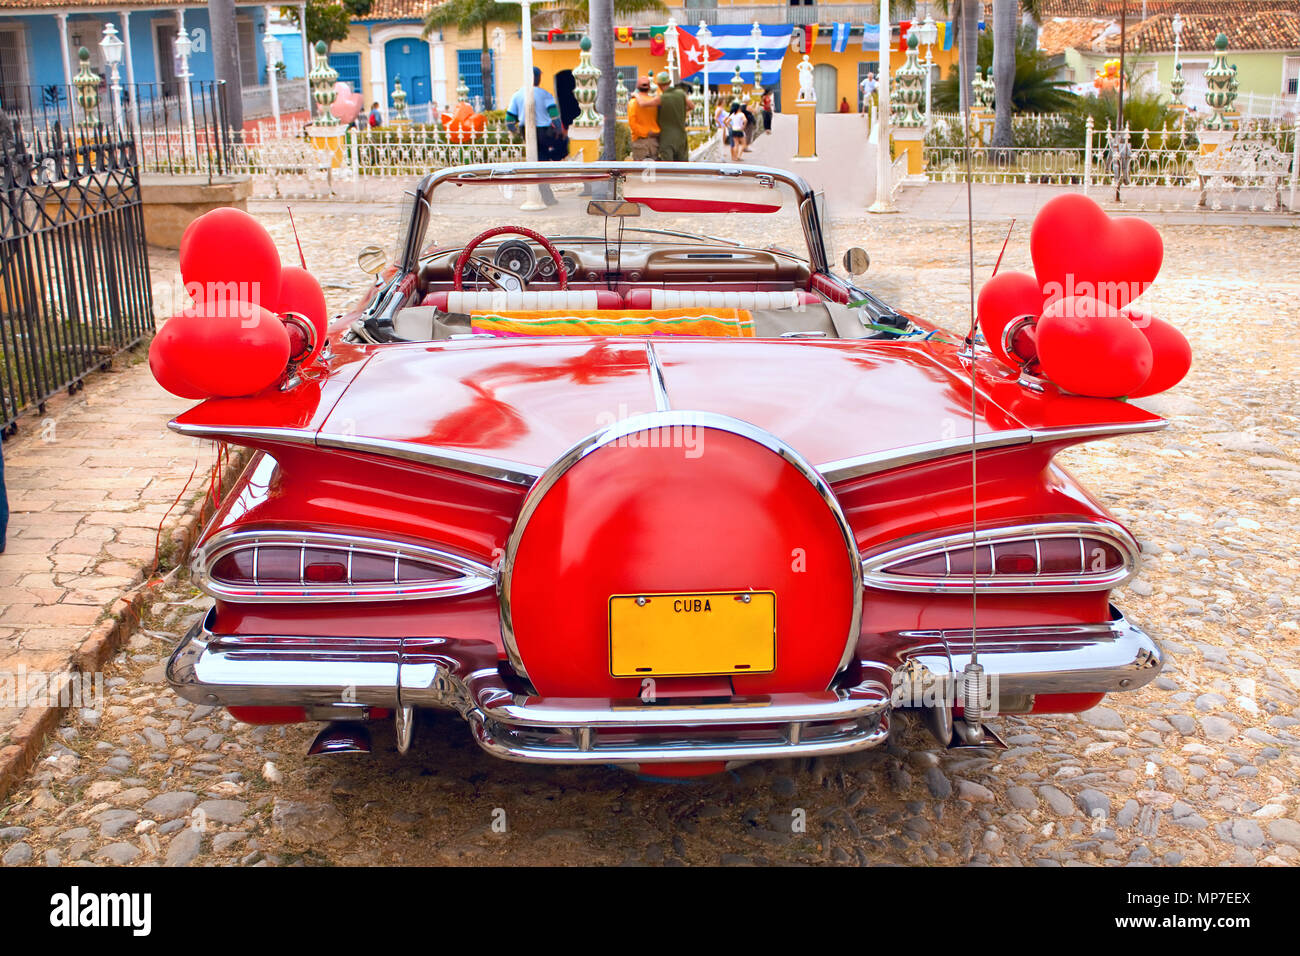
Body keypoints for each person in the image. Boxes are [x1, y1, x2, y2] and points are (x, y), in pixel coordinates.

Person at [507, 66, 568, 162]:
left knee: (539, 152)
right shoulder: (545, 95)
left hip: (525, 130)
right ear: (538, 78)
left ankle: (545, 160)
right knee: (565, 142)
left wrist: (515, 131)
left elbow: (509, 120)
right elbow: (554, 116)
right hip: (544, 132)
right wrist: (559, 130)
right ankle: (551, 157)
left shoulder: (517, 95)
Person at [654, 71, 691, 162]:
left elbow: (644, 104)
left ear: (658, 85)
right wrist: (681, 110)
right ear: (670, 82)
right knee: (683, 166)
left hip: (666, 137)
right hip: (681, 136)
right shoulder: (681, 94)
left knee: (668, 167)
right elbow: (692, 106)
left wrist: (636, 95)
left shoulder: (661, 98)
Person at [626, 74, 660, 160]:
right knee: (654, 171)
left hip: (639, 141)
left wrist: (644, 133)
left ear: (637, 87)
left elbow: (632, 123)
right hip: (654, 140)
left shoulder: (633, 102)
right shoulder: (653, 102)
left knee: (641, 171)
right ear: (649, 88)